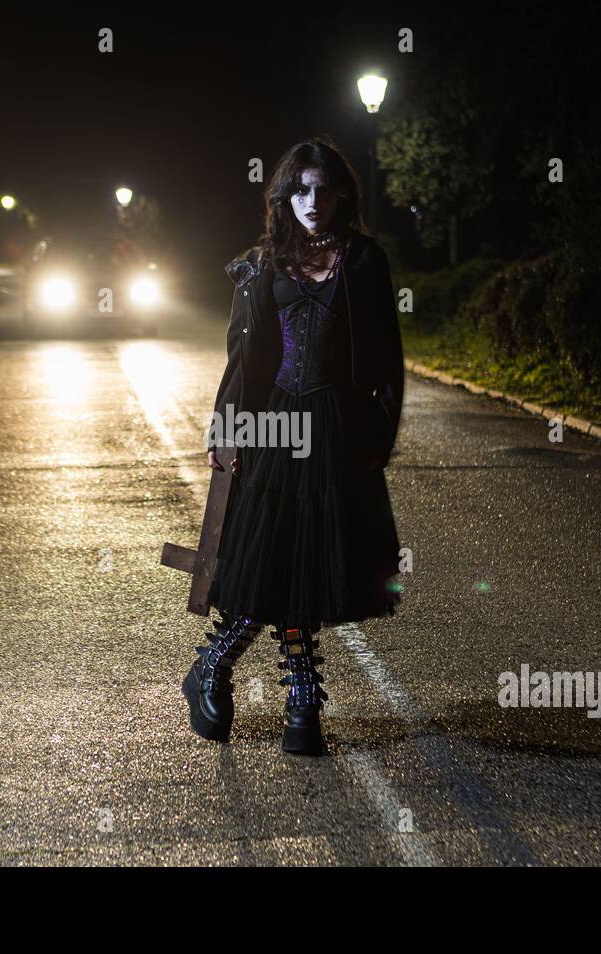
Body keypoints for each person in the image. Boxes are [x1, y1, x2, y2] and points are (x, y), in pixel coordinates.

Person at [182, 136, 405, 756]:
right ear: (284, 195)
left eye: (323, 190)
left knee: (309, 561)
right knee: (268, 556)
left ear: (340, 197)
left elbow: (387, 357)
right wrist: (226, 430)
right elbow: (240, 356)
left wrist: (379, 436)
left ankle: (263, 684)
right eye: (301, 189)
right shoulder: (260, 264)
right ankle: (288, 689)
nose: (313, 201)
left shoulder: (363, 261)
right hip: (272, 424)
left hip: (335, 429)